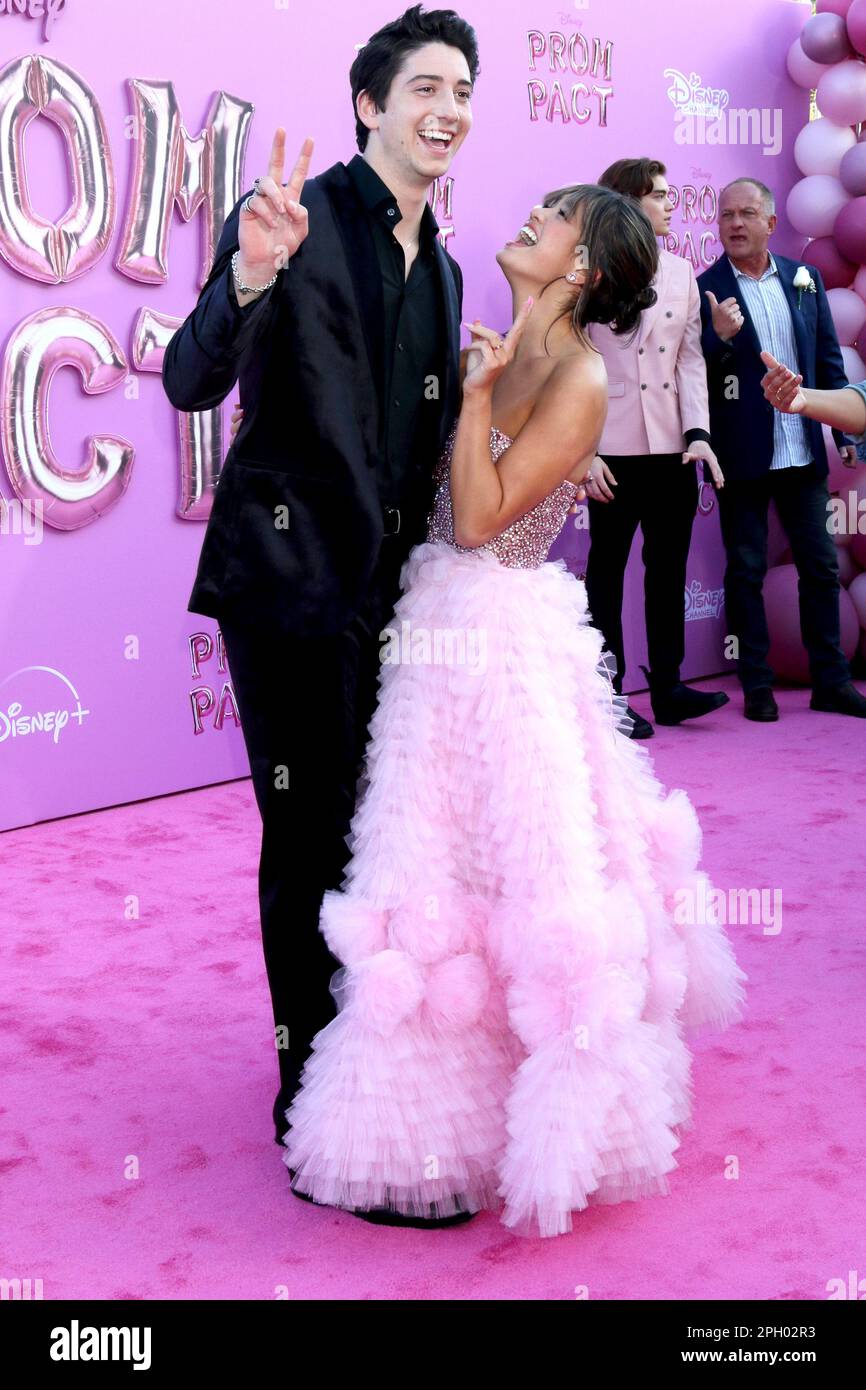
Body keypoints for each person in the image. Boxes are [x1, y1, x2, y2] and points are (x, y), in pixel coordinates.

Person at [280, 183, 747, 1237]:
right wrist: (482, 396)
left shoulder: (576, 372)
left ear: (581, 271)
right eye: (537, 209)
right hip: (438, 618)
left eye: (553, 221)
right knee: (433, 855)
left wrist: (481, 398)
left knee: (513, 858)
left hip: (497, 633)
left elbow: (486, 519)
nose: (530, 222)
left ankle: (507, 1099)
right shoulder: (501, 341)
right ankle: (436, 1090)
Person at [161, 6, 480, 1155]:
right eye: (424, 89)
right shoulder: (293, 223)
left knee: (367, 835)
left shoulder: (443, 271)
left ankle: (361, 1058)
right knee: (304, 832)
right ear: (369, 104)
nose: (445, 111)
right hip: (288, 584)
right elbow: (188, 382)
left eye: (460, 93)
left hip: (394, 605)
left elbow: (419, 453)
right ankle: (305, 1090)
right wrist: (248, 275)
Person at [697, 177, 866, 721]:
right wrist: (717, 337)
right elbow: (691, 375)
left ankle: (832, 682)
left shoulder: (805, 279)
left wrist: (843, 433)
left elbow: (827, 363)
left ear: (771, 223)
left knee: (819, 568)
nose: (735, 224)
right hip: (742, 456)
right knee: (745, 571)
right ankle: (758, 687)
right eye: (726, 215)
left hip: (801, 451)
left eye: (747, 213)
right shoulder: (706, 290)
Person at [583, 158, 728, 739]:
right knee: (606, 573)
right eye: (659, 195)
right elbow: (567, 364)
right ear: (625, 202)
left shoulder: (681, 272)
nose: (671, 204)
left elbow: (690, 359)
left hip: (673, 450)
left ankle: (667, 686)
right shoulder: (585, 269)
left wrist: (698, 433)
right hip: (609, 448)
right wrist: (582, 450)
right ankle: (607, 694)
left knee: (667, 568)